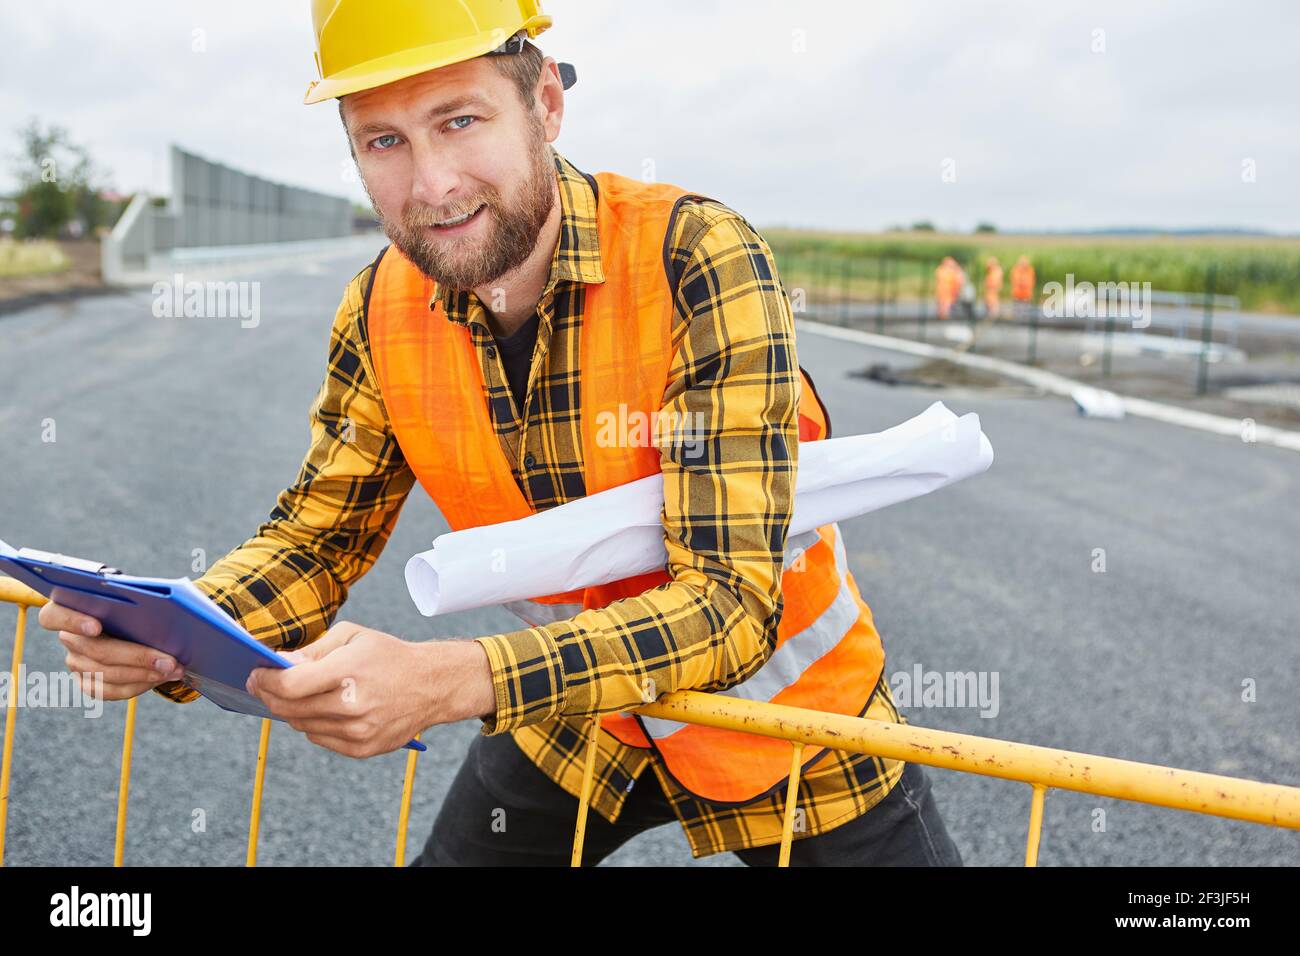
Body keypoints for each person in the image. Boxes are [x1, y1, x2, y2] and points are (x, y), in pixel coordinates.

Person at [37, 0, 962, 868]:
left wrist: (448, 680)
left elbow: (728, 602)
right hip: (571, 715)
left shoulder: (696, 259)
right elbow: (318, 541)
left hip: (784, 726)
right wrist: (176, 634)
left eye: (460, 121)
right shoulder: (379, 309)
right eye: (385, 141)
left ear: (546, 105)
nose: (432, 183)